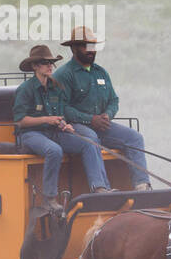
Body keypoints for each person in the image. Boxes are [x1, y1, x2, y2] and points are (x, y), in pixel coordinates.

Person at [12, 44, 109, 214]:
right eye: (45, 62)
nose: (50, 66)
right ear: (35, 66)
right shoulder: (25, 89)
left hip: (54, 132)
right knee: (54, 150)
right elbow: (20, 121)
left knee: (88, 143)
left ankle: (99, 188)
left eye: (51, 63)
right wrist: (47, 119)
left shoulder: (56, 87)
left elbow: (61, 112)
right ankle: (49, 198)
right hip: (30, 134)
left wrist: (65, 123)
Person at [54, 26, 151, 191]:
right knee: (91, 139)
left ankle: (142, 185)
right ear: (73, 48)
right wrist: (90, 119)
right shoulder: (64, 74)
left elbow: (114, 100)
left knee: (134, 138)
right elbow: (62, 109)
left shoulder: (101, 73)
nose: (90, 50)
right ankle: (100, 188)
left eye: (93, 46)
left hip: (102, 125)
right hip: (73, 128)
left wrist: (107, 115)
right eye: (85, 46)